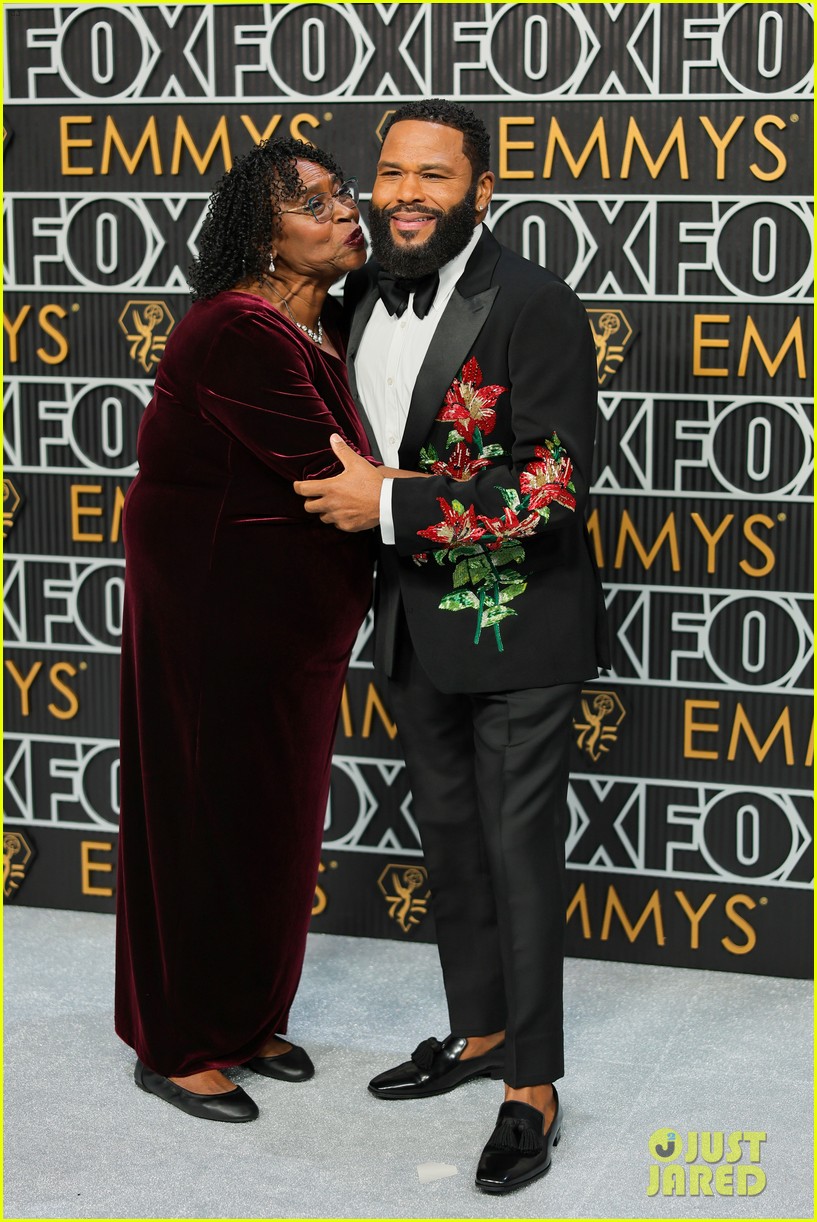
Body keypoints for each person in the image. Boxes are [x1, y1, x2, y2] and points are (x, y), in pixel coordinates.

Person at [294, 101, 609, 1191]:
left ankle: (533, 1085)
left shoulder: (533, 302)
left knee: (518, 858)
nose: (407, 192)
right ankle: (478, 1033)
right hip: (413, 626)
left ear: (482, 191)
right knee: (454, 848)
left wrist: (389, 506)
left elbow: (553, 486)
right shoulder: (352, 299)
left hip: (521, 628)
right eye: (390, 172)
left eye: (435, 173)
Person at [115, 137, 377, 1123]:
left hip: (291, 633)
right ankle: (176, 1041)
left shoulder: (320, 326)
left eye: (341, 196)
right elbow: (333, 472)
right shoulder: (236, 333)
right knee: (199, 824)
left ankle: (246, 1013)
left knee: (274, 826)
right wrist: (473, 498)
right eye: (315, 205)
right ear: (263, 237)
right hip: (213, 627)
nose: (345, 213)